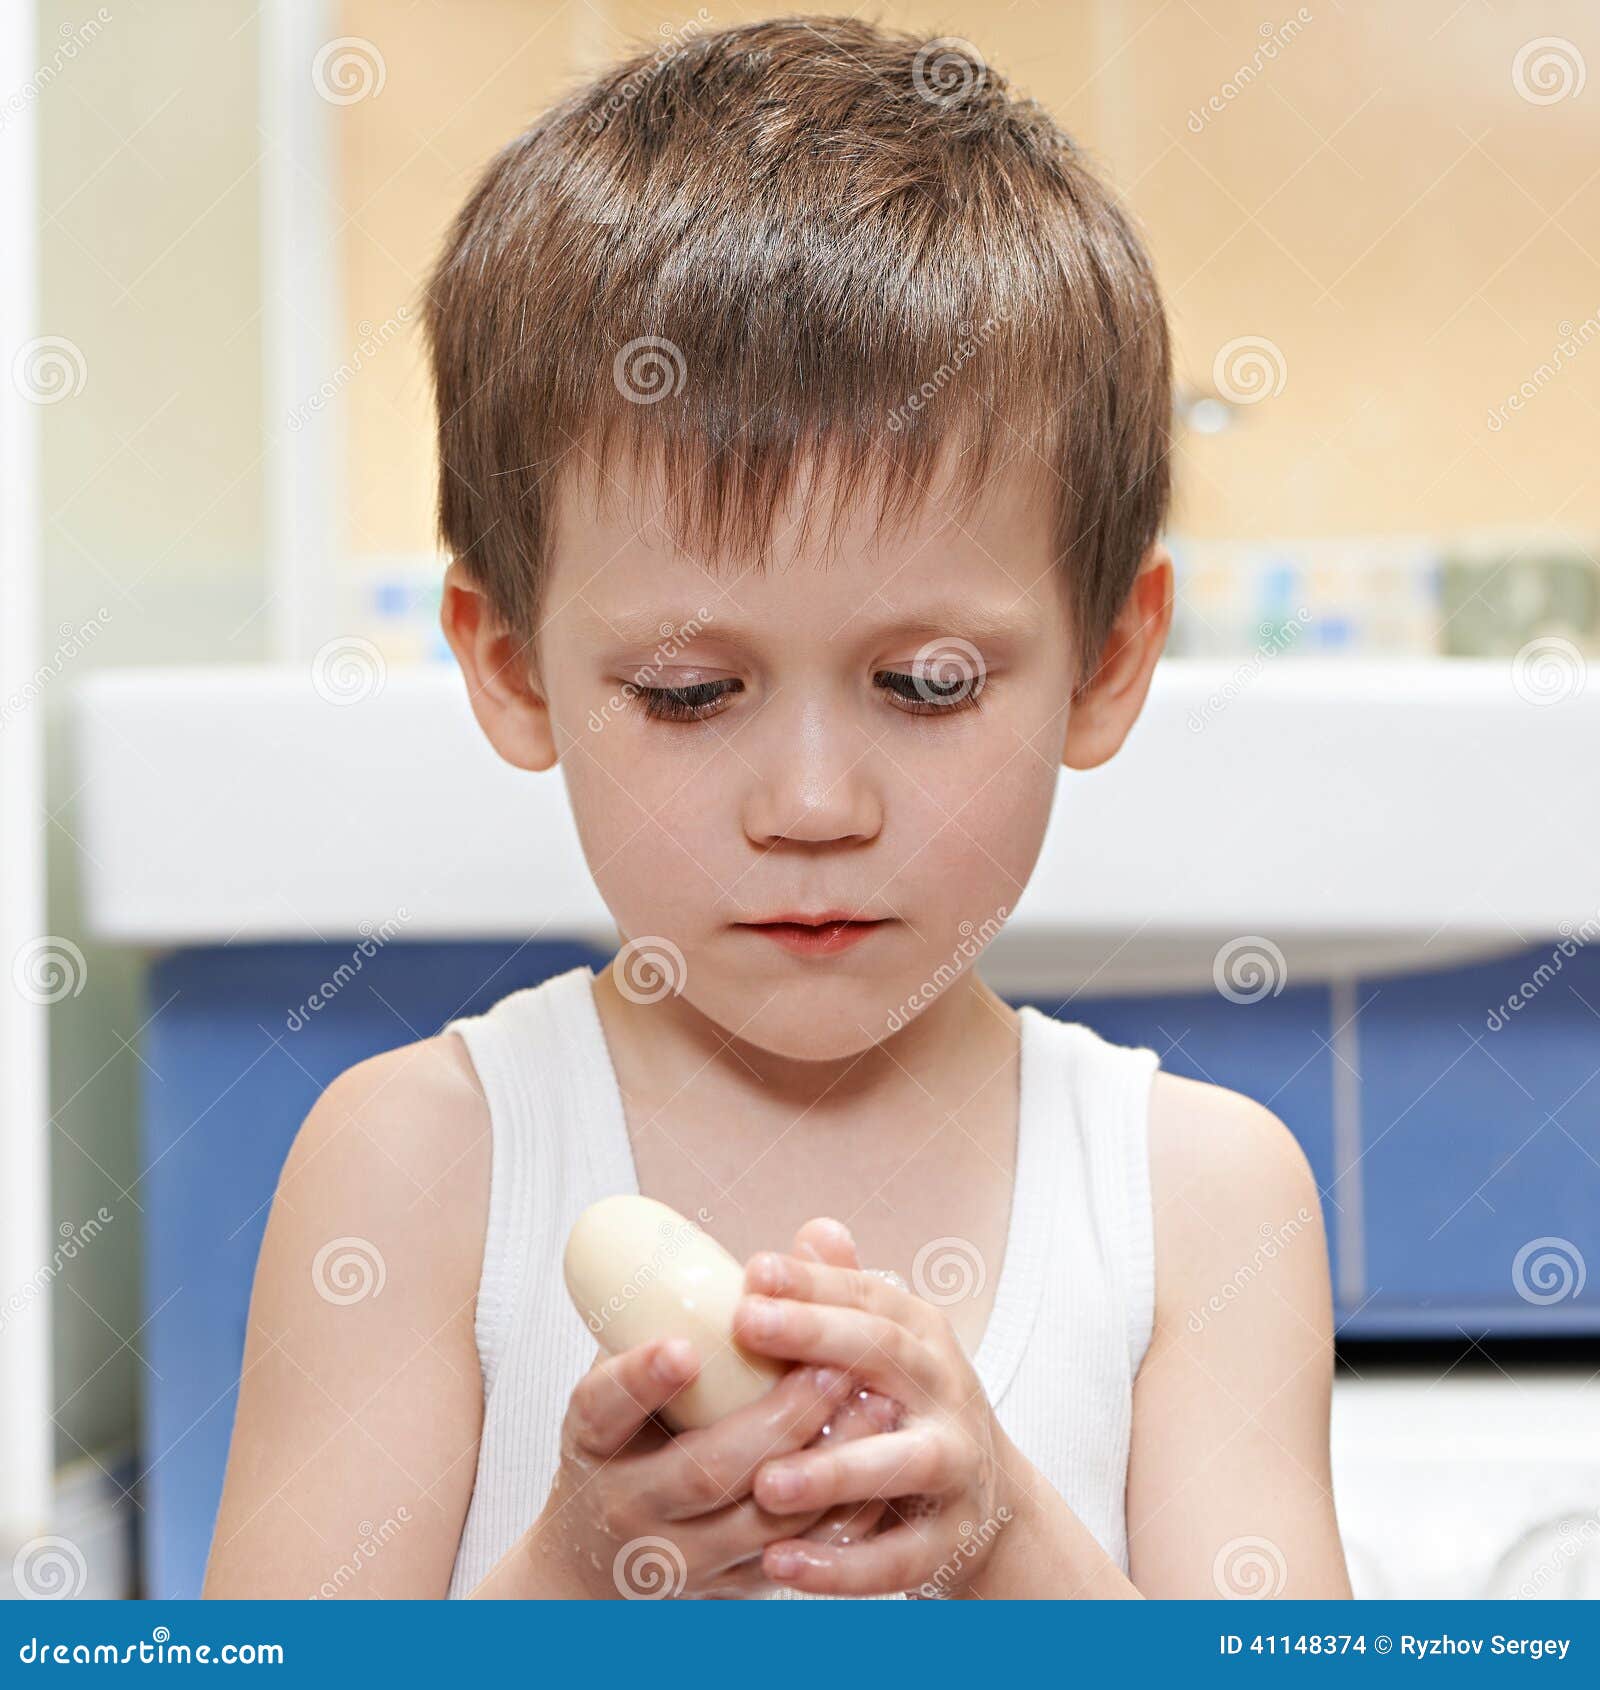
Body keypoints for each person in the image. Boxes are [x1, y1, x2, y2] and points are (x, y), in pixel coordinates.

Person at [204, 14, 1351, 1601]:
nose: (813, 805)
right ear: (511, 668)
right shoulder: (421, 1166)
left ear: (1109, 659)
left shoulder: (1200, 1196)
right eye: (689, 695)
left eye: (930, 684)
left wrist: (1007, 1531)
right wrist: (579, 1569)